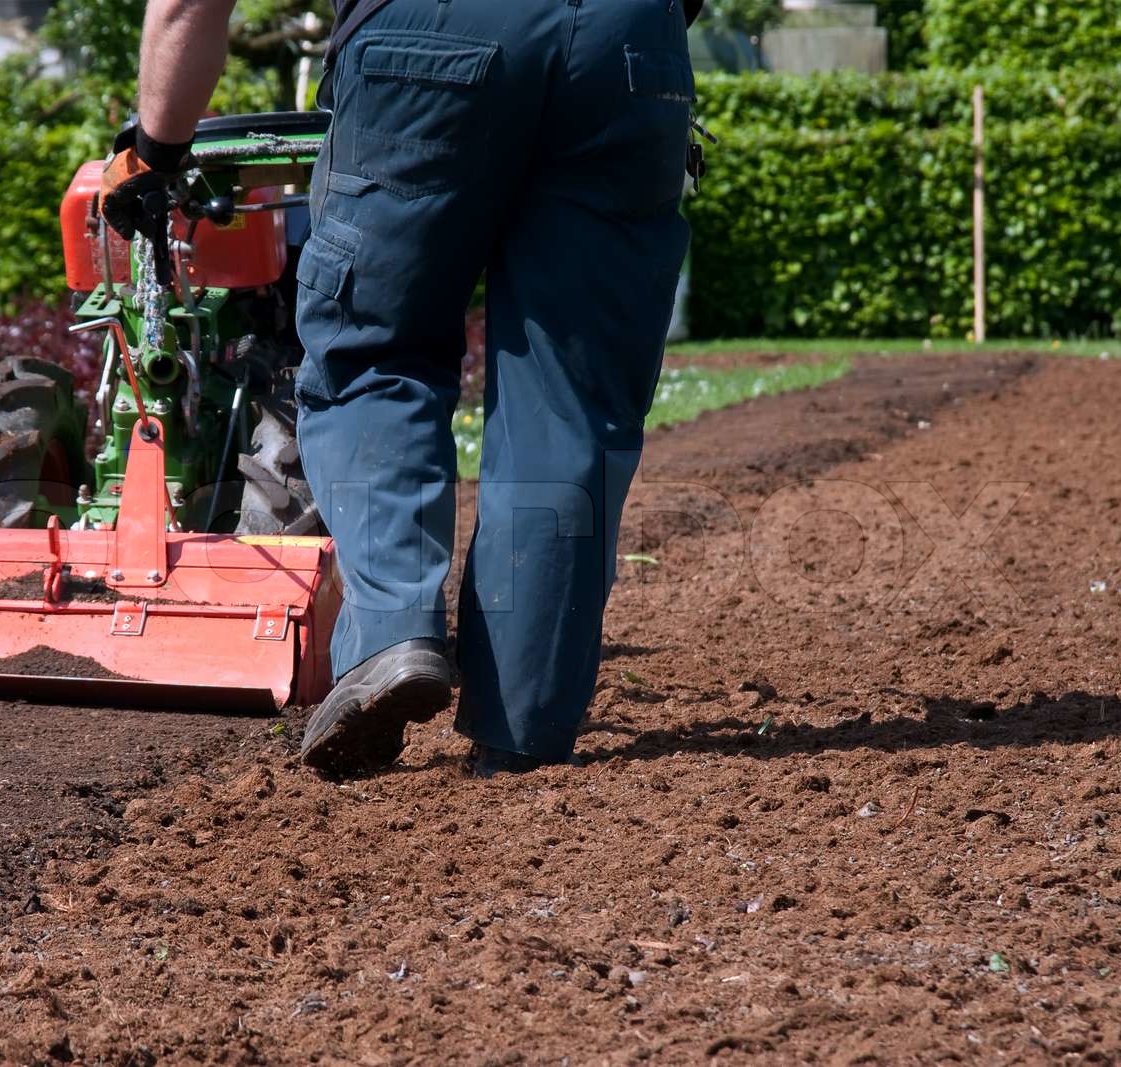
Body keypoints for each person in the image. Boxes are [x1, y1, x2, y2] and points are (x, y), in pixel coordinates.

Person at [103, 0, 702, 777]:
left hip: (427, 44)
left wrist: (157, 146)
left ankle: (391, 633)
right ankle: (523, 726)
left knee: (374, 352)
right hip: (632, 46)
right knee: (572, 393)